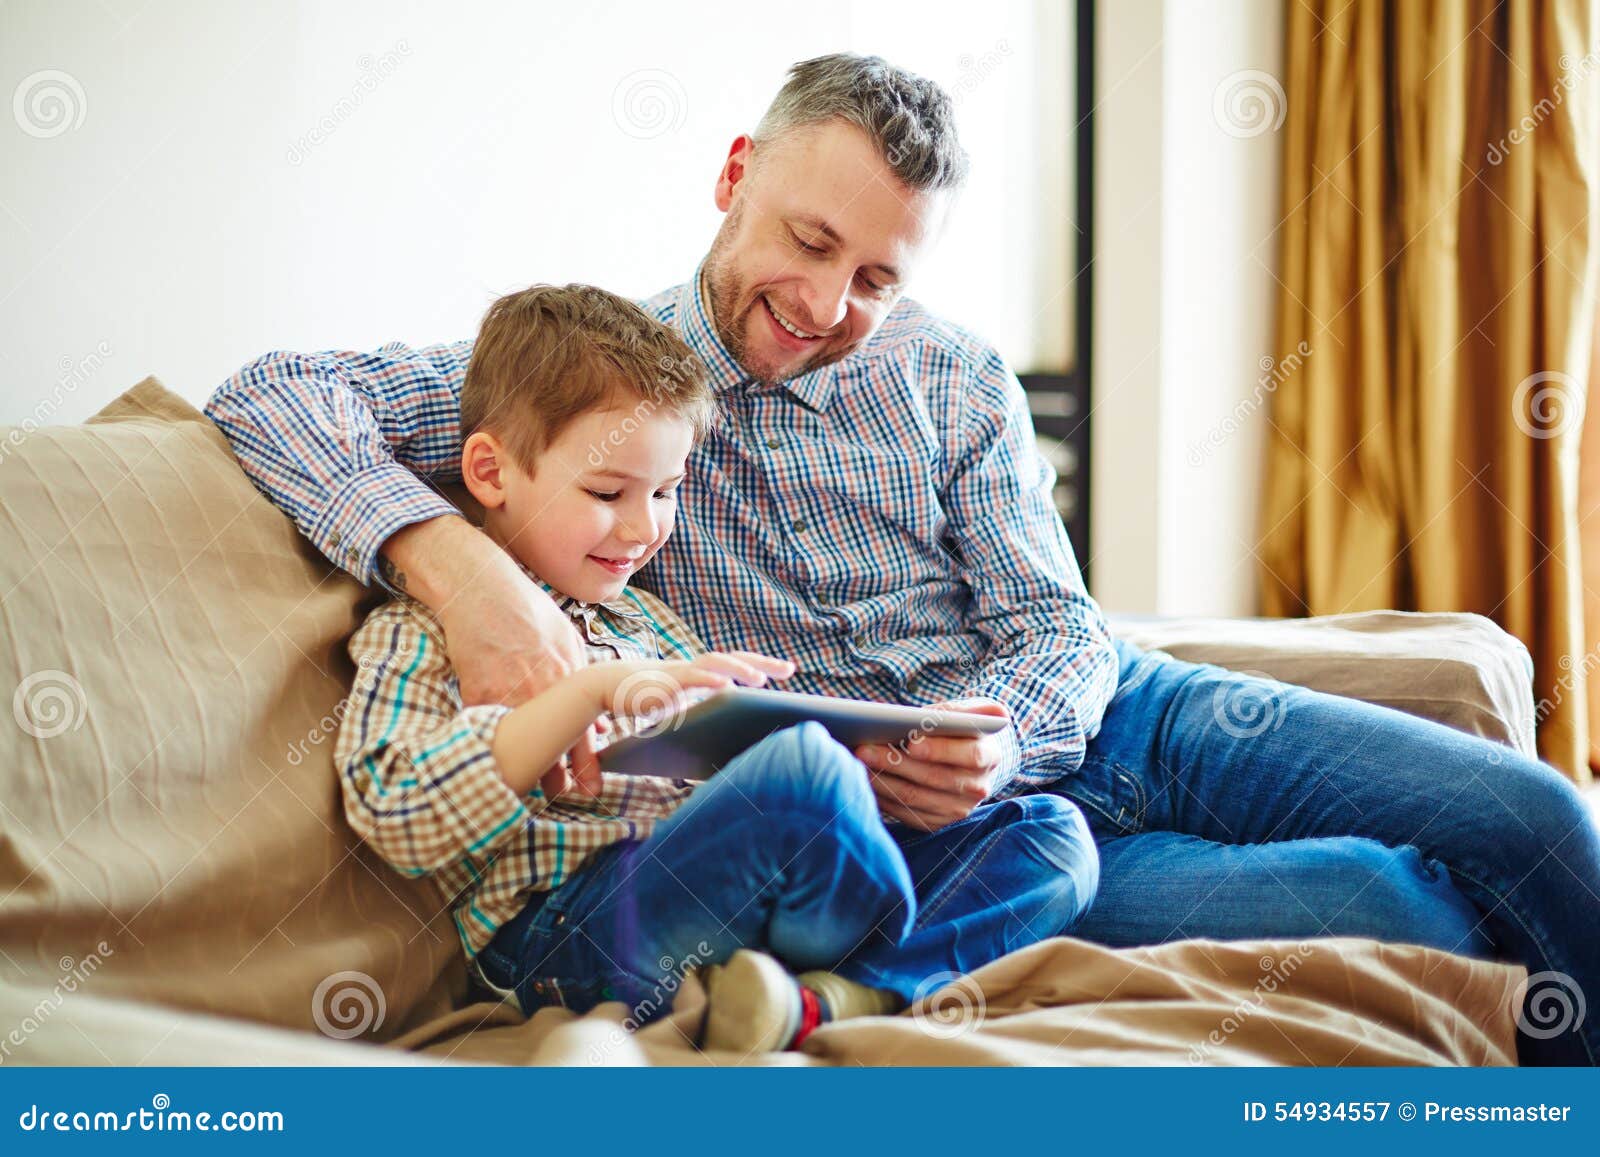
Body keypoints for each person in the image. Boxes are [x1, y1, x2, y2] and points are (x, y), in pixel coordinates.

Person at [212, 54, 1599, 1065]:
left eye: (877, 278)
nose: (825, 306)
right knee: (1409, 907)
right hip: (951, 841)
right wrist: (458, 566)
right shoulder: (596, 395)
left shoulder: (947, 371)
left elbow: (1055, 626)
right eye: (809, 243)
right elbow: (270, 395)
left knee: (1542, 824)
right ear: (736, 178)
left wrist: (1009, 735)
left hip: (1127, 722)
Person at [331, 282, 1100, 1053]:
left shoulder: (646, 621)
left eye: (667, 492)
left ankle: (830, 1001)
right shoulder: (422, 627)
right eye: (607, 492)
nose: (642, 528)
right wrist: (587, 694)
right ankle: (875, 969)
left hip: (741, 905)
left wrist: (748, 728)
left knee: (1052, 834)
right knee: (803, 778)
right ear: (492, 473)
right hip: (571, 933)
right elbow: (397, 808)